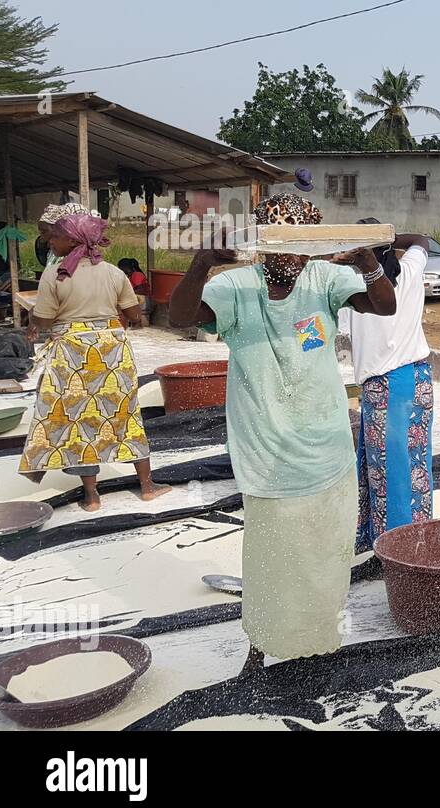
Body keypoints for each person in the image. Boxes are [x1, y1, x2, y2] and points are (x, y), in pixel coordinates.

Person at [167, 193, 396, 672]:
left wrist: (368, 259)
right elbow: (180, 318)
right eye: (279, 246)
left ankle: (316, 640)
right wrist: (201, 264)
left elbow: (384, 306)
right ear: (263, 243)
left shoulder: (324, 279)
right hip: (266, 449)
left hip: (326, 447)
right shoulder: (235, 287)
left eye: (299, 246)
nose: (289, 259)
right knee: (272, 558)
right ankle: (262, 642)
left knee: (323, 553)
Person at [19, 211, 170, 511]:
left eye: (56, 236)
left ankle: (92, 496)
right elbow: (133, 316)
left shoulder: (56, 274)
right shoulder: (115, 273)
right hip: (112, 353)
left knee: (80, 422)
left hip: (71, 354)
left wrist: (35, 317)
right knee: (125, 416)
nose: (50, 242)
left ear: (73, 239)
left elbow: (46, 319)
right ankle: (147, 487)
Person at [344, 222, 436, 551]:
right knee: (399, 465)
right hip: (416, 379)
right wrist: (389, 238)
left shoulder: (355, 285)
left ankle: (401, 550)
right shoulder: (408, 268)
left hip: (389, 386)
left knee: (394, 473)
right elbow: (422, 238)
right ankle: (390, 542)